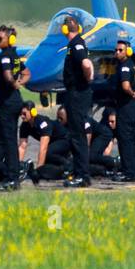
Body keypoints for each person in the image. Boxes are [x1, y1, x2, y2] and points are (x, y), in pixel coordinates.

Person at [0, 24, 28, 191]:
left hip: (6, 103)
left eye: (0, 38)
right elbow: (27, 73)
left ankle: (12, 178)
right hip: (15, 102)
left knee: (9, 141)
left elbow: (6, 76)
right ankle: (13, 175)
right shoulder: (14, 56)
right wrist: (20, 82)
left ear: (10, 39)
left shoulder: (5, 57)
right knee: (11, 139)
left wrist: (13, 83)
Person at [60, 14, 94, 187]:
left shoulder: (77, 44)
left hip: (77, 94)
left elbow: (86, 64)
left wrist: (87, 79)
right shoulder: (76, 44)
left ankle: (83, 176)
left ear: (65, 29)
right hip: (77, 93)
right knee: (75, 134)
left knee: (78, 136)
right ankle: (80, 173)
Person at [113, 35, 135, 182]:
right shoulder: (132, 64)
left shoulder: (124, 67)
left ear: (127, 51)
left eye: (120, 50)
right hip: (129, 106)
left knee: (125, 139)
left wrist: (131, 93)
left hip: (125, 106)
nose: (117, 52)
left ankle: (129, 173)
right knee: (127, 138)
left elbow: (125, 86)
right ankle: (129, 171)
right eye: (116, 50)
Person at [18, 101, 70, 174]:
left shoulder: (42, 123)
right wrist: (18, 165)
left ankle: (69, 164)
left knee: (48, 153)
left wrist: (38, 170)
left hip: (64, 139)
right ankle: (63, 168)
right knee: (48, 169)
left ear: (33, 112)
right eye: (20, 114)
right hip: (52, 143)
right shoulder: (24, 125)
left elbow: (43, 148)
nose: (22, 116)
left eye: (24, 113)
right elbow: (22, 147)